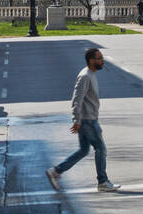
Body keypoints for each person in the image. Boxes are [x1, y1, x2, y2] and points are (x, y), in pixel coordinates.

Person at [47, 48, 120, 192]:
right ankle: (103, 182)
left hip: (89, 119)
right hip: (87, 120)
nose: (102, 61)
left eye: (102, 58)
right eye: (99, 58)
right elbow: (77, 99)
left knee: (84, 150)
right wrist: (77, 120)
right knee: (101, 149)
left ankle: (56, 171)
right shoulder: (85, 76)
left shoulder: (90, 74)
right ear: (91, 60)